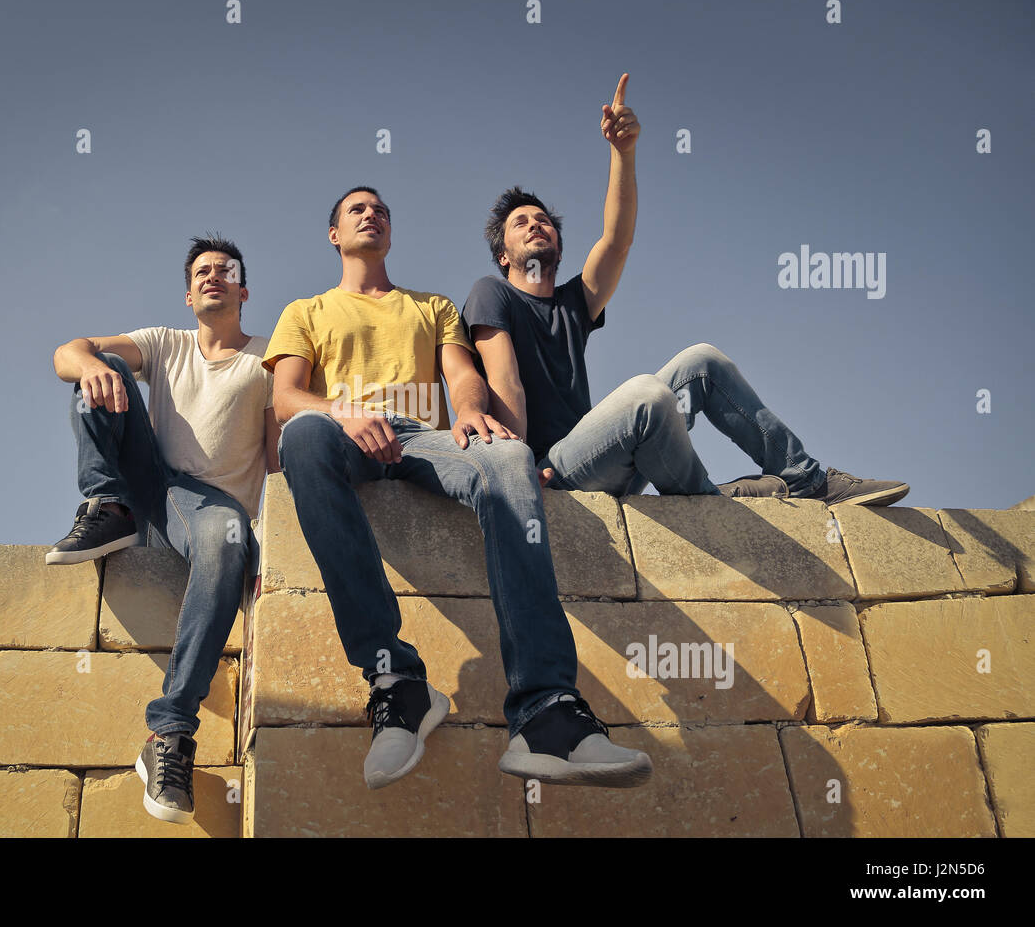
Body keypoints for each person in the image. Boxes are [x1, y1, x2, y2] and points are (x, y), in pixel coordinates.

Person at [263, 185, 653, 791]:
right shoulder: (305, 311)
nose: (372, 214)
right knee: (303, 438)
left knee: (508, 454)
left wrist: (470, 411)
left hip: (421, 436)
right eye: (356, 210)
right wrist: (344, 414)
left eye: (382, 210)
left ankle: (546, 710)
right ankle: (396, 681)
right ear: (335, 235)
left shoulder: (433, 306)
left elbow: (462, 375)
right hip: (340, 430)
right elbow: (285, 398)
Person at [463, 74, 910, 507]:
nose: (534, 224)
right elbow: (507, 384)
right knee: (647, 394)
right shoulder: (492, 294)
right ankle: (721, 498)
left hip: (605, 455)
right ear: (504, 255)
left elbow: (617, 240)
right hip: (549, 472)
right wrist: (513, 470)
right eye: (520, 223)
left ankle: (807, 479)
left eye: (542, 220)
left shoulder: (573, 303)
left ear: (558, 244)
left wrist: (624, 151)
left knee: (704, 361)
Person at [48, 234, 277, 823]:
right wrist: (94, 365)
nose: (212, 277)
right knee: (108, 369)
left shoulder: (268, 358)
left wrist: (275, 550)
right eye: (201, 271)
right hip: (156, 484)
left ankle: (168, 734)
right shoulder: (164, 343)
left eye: (225, 270)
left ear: (243, 289)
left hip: (220, 511)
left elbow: (278, 461)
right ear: (187, 293)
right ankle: (107, 504)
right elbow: (66, 353)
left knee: (227, 535)